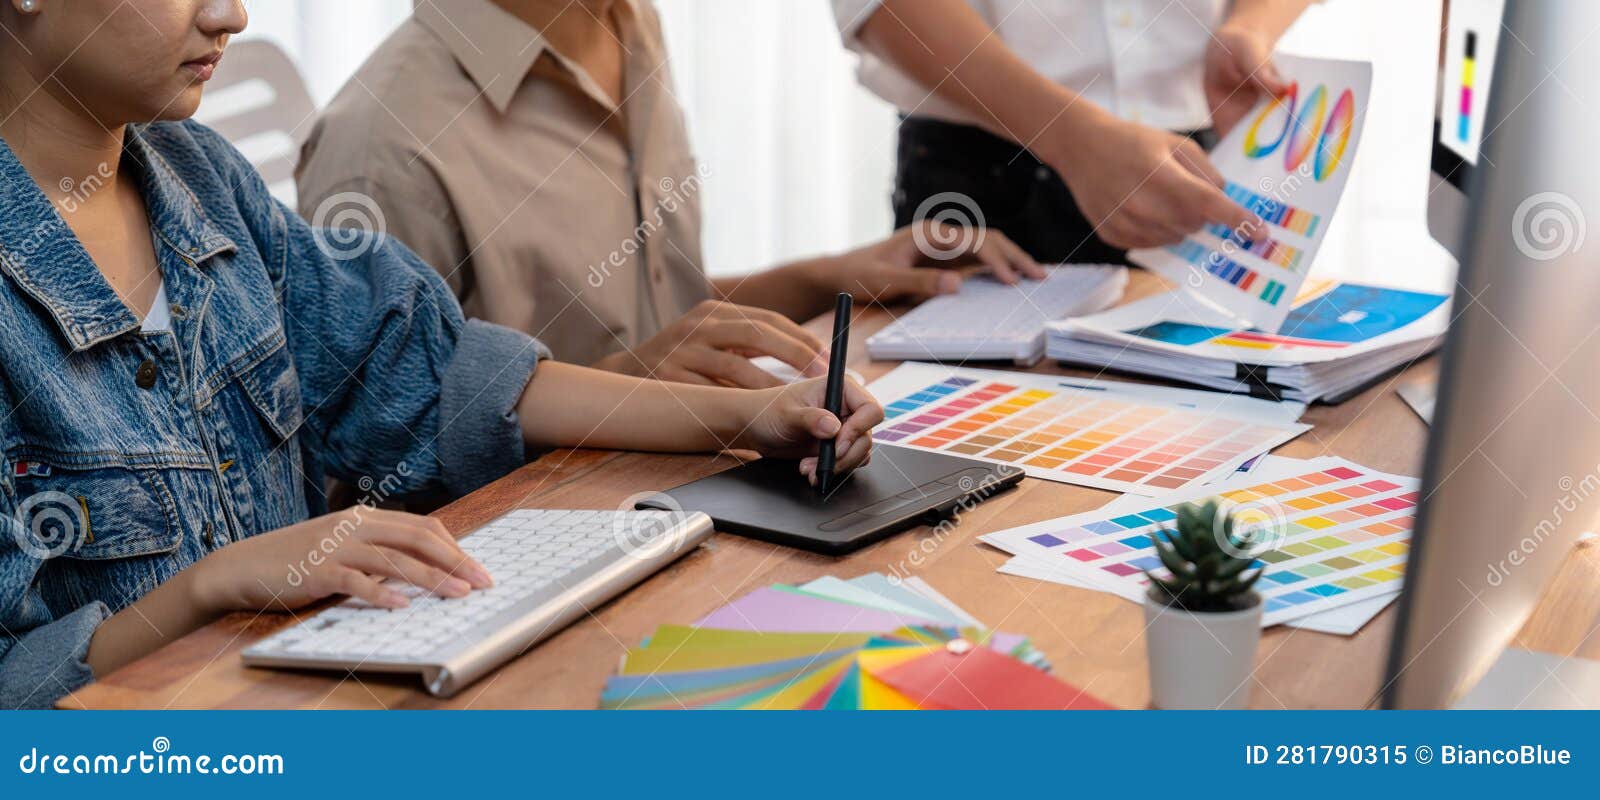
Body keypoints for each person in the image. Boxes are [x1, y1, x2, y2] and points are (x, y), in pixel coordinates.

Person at [0, 0, 880, 709]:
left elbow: (435, 372)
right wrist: (210, 586)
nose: (230, 15)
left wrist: (749, 417)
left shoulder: (201, 176)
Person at [295, 0, 1044, 389]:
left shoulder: (627, 24)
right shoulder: (383, 152)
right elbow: (383, 464)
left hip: (679, 495)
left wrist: (830, 275)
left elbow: (644, 324)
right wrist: (632, 393)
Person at [831, 0, 1315, 264]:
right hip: (985, 175)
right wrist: (1073, 138)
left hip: (1200, 156)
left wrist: (1251, 24)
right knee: (975, 431)